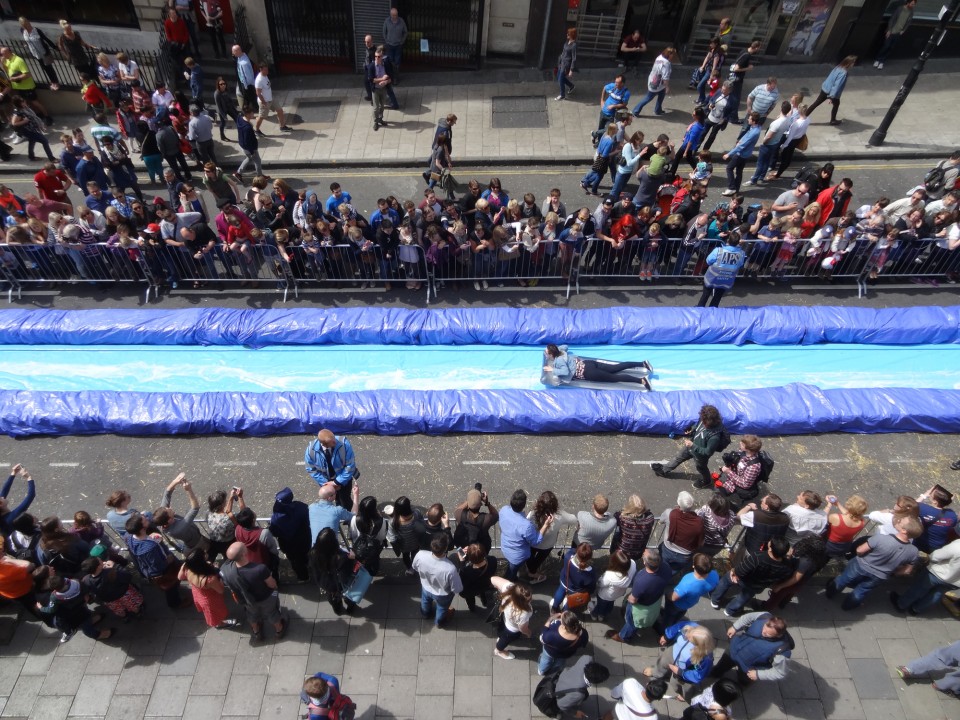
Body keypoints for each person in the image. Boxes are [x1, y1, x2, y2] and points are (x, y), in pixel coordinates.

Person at [825, 514, 922, 610]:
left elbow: (860, 550)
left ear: (904, 530)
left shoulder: (881, 538)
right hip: (880, 575)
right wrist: (894, 573)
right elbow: (907, 571)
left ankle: (830, 594)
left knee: (843, 580)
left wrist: (859, 554)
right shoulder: (913, 551)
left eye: (900, 521)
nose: (898, 520)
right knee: (862, 590)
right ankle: (847, 606)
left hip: (861, 565)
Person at [710, 536, 794, 617]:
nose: (769, 542)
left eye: (770, 542)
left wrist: (733, 571)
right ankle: (729, 610)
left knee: (726, 580)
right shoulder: (787, 566)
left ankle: (715, 600)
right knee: (743, 597)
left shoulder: (758, 557)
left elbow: (741, 570)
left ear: (770, 548)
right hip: (758, 586)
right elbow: (782, 577)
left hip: (743, 580)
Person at [221, 541, 287, 641]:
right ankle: (279, 630)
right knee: (272, 613)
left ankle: (256, 632)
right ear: (244, 554)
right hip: (265, 598)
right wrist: (275, 587)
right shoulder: (259, 569)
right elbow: (272, 584)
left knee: (252, 614)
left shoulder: (226, 570)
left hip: (247, 600)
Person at [653, 404, 727, 487]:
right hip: (691, 446)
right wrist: (692, 429)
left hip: (700, 456)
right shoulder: (703, 420)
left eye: (704, 422)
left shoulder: (714, 437)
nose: (702, 422)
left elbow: (707, 452)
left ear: (710, 422)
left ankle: (707, 481)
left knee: (701, 468)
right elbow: (698, 425)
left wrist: (693, 445)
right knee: (678, 457)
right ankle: (664, 470)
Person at [608, 548, 672, 644]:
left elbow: (633, 600)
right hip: (656, 599)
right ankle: (655, 624)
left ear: (645, 563)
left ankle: (624, 636)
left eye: (643, 555)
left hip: (641, 605)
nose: (644, 551)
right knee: (653, 615)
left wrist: (629, 598)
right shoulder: (666, 567)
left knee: (632, 622)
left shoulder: (642, 580)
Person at [710, 612, 794, 684]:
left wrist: (758, 674)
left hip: (749, 668)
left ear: (779, 635)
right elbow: (748, 617)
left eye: (768, 634)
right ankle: (715, 674)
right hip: (734, 650)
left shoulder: (782, 650)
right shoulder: (764, 616)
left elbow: (780, 672)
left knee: (743, 680)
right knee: (720, 667)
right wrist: (735, 627)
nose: (763, 633)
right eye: (764, 628)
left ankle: (741, 684)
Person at [125, 513, 185, 609]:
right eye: (145, 520)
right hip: (162, 571)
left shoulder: (129, 537)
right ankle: (175, 603)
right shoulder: (150, 547)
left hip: (148, 570)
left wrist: (150, 538)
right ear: (142, 529)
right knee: (170, 588)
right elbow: (158, 566)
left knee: (170, 586)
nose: (147, 518)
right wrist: (168, 560)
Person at [645, 622, 716, 702]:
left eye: (689, 639)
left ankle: (683, 694)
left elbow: (698, 675)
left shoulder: (706, 658)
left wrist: (681, 672)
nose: (686, 637)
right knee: (662, 662)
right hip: (673, 652)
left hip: (684, 669)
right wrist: (666, 636)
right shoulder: (691, 627)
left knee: (675, 684)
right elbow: (678, 627)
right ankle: (656, 672)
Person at [891, 537, 960, 615]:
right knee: (937, 594)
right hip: (955, 581)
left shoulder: (958, 545)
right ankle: (916, 609)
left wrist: (929, 557)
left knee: (919, 588)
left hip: (937, 573)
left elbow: (936, 556)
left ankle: (901, 604)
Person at [499, 489, 553, 581]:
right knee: (511, 573)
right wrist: (545, 525)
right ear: (524, 505)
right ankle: (510, 582)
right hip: (517, 557)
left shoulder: (503, 510)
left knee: (512, 567)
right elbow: (536, 541)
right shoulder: (526, 525)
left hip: (505, 547)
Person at [543, 343, 652, 389]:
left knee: (615, 378)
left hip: (588, 373)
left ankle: (642, 381)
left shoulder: (559, 361)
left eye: (546, 353)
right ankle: (643, 364)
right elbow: (566, 346)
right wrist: (556, 348)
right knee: (616, 367)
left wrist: (552, 369)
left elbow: (565, 372)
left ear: (551, 355)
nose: (545, 354)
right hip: (588, 363)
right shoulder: (562, 351)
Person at [177, 548, 236, 629]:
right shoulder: (210, 579)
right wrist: (220, 577)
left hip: (198, 593)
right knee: (215, 613)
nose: (205, 552)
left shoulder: (187, 568)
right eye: (203, 554)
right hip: (210, 599)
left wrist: (185, 564)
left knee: (210, 612)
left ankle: (218, 623)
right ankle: (220, 624)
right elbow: (221, 590)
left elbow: (180, 577)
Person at [412, 533, 461, 627]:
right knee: (442, 608)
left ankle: (425, 614)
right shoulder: (450, 568)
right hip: (442, 593)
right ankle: (439, 622)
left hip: (426, 586)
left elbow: (414, 567)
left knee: (425, 601)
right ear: (445, 549)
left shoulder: (420, 554)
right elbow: (457, 589)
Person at [309, 527, 360, 616]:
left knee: (332, 597)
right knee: (348, 597)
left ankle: (337, 609)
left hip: (325, 583)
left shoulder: (313, 553)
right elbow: (347, 572)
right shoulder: (342, 557)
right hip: (340, 584)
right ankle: (350, 608)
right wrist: (352, 558)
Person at [304, 430, 360, 509]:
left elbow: (350, 466)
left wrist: (336, 482)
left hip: (343, 479)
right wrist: (327, 484)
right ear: (324, 444)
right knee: (335, 499)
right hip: (326, 481)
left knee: (345, 499)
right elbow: (311, 470)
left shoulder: (344, 444)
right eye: (332, 442)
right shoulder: (310, 451)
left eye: (334, 438)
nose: (335, 442)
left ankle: (349, 512)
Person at [154, 472, 207, 553]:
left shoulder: (163, 515)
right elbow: (195, 508)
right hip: (196, 543)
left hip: (195, 535)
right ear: (169, 520)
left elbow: (167, 493)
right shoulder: (178, 529)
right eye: (169, 510)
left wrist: (176, 481)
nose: (170, 508)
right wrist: (189, 490)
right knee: (207, 550)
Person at [661, 553, 719, 628]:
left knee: (669, 616)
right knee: (680, 613)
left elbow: (673, 598)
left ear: (693, 566)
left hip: (677, 604)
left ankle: (665, 629)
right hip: (691, 602)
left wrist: (666, 592)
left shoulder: (688, 582)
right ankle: (675, 621)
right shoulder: (715, 575)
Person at [697, 231, 746, 308]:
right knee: (717, 297)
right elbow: (740, 264)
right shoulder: (741, 253)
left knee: (705, 295)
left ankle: (699, 310)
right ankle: (713, 311)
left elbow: (708, 261)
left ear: (728, 240)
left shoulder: (718, 250)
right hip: (727, 279)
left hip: (712, 277)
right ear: (738, 242)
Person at [806, 56, 856, 126]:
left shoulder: (838, 67)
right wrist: (831, 97)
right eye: (853, 63)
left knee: (816, 103)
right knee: (836, 104)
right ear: (849, 63)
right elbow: (837, 86)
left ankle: (803, 116)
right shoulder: (843, 73)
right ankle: (833, 120)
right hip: (831, 93)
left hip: (825, 88)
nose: (853, 64)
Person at [721, 112, 761, 196]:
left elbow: (742, 146)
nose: (748, 119)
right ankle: (736, 189)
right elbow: (746, 137)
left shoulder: (754, 132)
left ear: (754, 121)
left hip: (741, 154)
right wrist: (740, 140)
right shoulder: (756, 128)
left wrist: (729, 154)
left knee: (729, 168)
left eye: (750, 119)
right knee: (739, 171)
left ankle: (731, 188)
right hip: (746, 154)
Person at [538, 610, 589, 676]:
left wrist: (550, 619)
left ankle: (542, 671)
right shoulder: (583, 633)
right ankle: (555, 672)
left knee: (546, 660)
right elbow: (584, 644)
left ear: (563, 625)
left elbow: (542, 638)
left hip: (550, 652)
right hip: (566, 654)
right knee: (560, 663)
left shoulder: (552, 633)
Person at [592, 549, 636, 623]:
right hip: (617, 594)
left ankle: (595, 615)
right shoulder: (633, 564)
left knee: (600, 606)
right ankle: (602, 616)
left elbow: (601, 584)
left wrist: (598, 581)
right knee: (609, 605)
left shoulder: (610, 575)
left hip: (605, 595)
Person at [551, 542, 597, 613]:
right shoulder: (590, 572)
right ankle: (564, 612)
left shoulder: (568, 556)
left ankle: (554, 608)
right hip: (575, 590)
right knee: (571, 601)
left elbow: (572, 550)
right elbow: (591, 586)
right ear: (589, 557)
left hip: (564, 581)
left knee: (560, 592)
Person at [632, 47, 676, 116]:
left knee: (661, 95)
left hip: (653, 79)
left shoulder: (659, 57)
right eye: (673, 54)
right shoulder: (666, 63)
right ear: (669, 54)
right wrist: (667, 87)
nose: (673, 56)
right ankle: (635, 111)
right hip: (657, 83)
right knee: (648, 97)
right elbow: (665, 77)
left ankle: (658, 110)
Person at [19, 17, 60, 91]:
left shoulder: (36, 30)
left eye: (27, 23)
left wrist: (55, 47)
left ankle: (55, 82)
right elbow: (26, 40)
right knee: (45, 68)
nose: (27, 26)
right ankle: (52, 82)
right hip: (35, 54)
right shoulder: (22, 31)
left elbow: (46, 39)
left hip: (44, 52)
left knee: (49, 68)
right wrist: (26, 44)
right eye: (24, 25)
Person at [915, 484, 958, 553]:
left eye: (931, 493)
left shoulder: (924, 509)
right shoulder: (952, 515)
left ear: (935, 501)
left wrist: (924, 495)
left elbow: (912, 505)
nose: (930, 493)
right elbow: (953, 524)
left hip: (920, 543)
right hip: (937, 547)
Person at [453, 487, 498, 552]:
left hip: (463, 549)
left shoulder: (459, 514)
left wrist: (470, 501)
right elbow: (496, 515)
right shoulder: (486, 519)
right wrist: (487, 503)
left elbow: (458, 509)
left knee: (463, 556)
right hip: (479, 551)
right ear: (480, 504)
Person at [875, 1, 916, 69]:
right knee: (886, 46)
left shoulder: (911, 12)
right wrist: (889, 30)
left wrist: (903, 30)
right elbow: (892, 19)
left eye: (914, 4)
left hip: (898, 32)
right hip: (891, 31)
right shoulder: (899, 9)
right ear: (908, 3)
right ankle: (877, 59)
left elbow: (908, 22)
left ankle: (882, 61)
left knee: (891, 47)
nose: (913, 6)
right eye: (912, 4)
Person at [591, 75, 631, 145]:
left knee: (608, 129)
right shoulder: (612, 86)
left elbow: (624, 104)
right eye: (615, 82)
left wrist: (614, 106)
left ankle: (595, 134)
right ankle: (599, 142)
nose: (616, 84)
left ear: (622, 83)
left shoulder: (626, 93)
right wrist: (602, 100)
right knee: (600, 127)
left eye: (617, 83)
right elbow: (605, 88)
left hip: (612, 115)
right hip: (603, 111)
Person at [0, 463, 35, 538]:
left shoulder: (2, 516)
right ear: (1, 504)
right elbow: (30, 496)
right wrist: (29, 478)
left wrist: (13, 473)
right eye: (1, 498)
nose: (2, 497)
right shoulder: (12, 517)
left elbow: (4, 491)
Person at [254, 64, 290, 134]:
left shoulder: (265, 76)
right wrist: (263, 102)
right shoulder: (259, 80)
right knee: (262, 117)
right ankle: (256, 130)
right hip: (264, 101)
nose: (267, 71)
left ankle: (282, 126)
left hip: (271, 98)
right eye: (265, 70)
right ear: (261, 70)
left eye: (267, 69)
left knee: (280, 110)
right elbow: (258, 93)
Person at [368, 46, 395, 132]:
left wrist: (386, 82)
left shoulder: (385, 65)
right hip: (375, 89)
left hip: (383, 89)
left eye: (379, 56)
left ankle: (380, 119)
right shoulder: (371, 66)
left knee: (382, 106)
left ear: (382, 57)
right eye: (375, 56)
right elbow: (371, 80)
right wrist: (382, 79)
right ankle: (375, 122)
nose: (377, 58)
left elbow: (391, 77)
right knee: (376, 107)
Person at [234, 105, 263, 181]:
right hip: (249, 148)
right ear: (247, 114)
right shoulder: (248, 128)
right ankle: (260, 176)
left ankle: (238, 173)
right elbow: (248, 141)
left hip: (242, 144)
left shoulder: (240, 118)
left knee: (249, 158)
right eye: (252, 113)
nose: (253, 114)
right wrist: (252, 151)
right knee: (257, 161)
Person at [381, 6, 408, 81]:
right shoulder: (387, 21)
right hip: (389, 45)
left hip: (398, 45)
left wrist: (402, 41)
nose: (395, 16)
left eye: (396, 15)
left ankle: (396, 77)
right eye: (393, 15)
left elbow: (405, 32)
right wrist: (387, 40)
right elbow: (384, 32)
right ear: (390, 15)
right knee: (390, 61)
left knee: (397, 62)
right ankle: (391, 77)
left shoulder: (401, 21)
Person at [232, 44, 257, 109]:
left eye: (233, 51)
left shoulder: (244, 63)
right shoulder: (241, 56)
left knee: (249, 99)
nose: (232, 53)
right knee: (249, 99)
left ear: (237, 51)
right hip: (243, 82)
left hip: (247, 84)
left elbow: (248, 76)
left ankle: (253, 109)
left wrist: (246, 86)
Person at [556, 28, 577, 101]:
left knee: (560, 80)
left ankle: (562, 95)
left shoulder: (574, 45)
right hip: (561, 63)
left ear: (572, 35)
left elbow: (574, 58)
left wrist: (571, 70)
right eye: (567, 33)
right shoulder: (567, 42)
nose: (567, 34)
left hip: (566, 65)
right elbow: (564, 51)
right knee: (559, 77)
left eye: (568, 34)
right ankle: (571, 86)